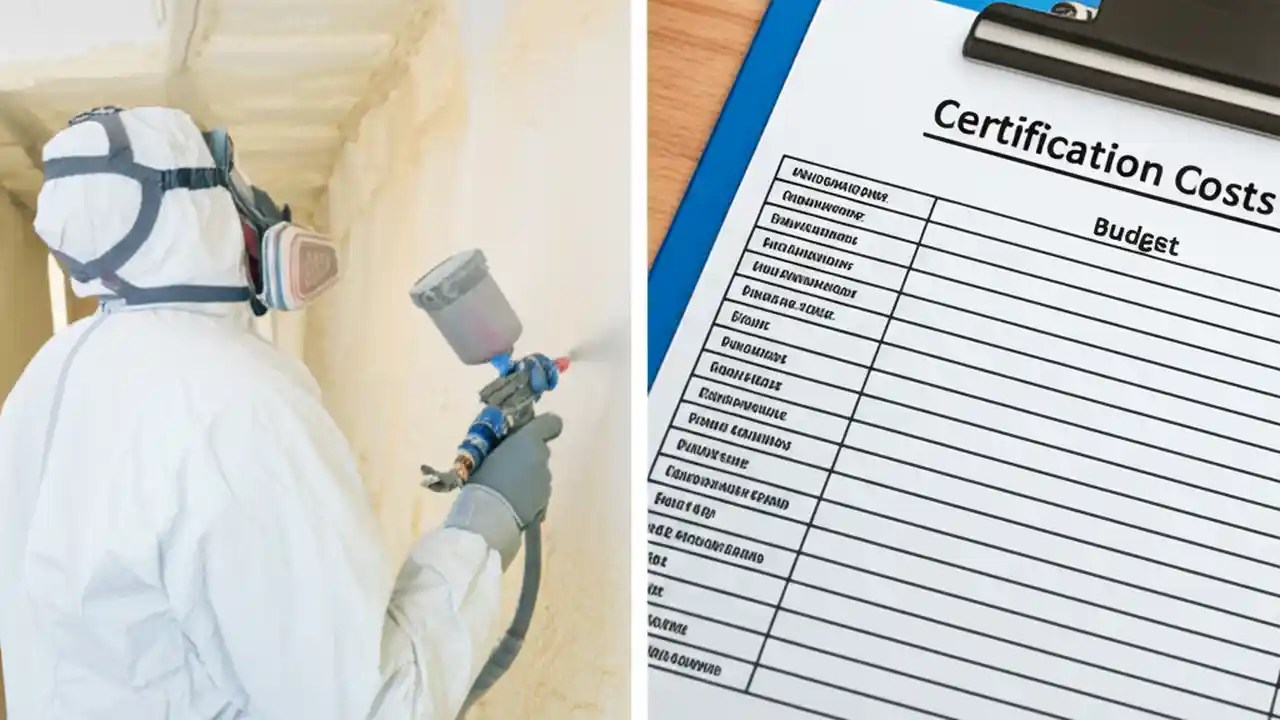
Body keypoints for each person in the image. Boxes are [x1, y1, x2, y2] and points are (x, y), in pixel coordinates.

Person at [0, 106, 563, 719]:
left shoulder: (48, 378)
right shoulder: (232, 402)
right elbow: (364, 707)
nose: (257, 202)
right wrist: (482, 531)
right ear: (197, 206)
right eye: (229, 176)